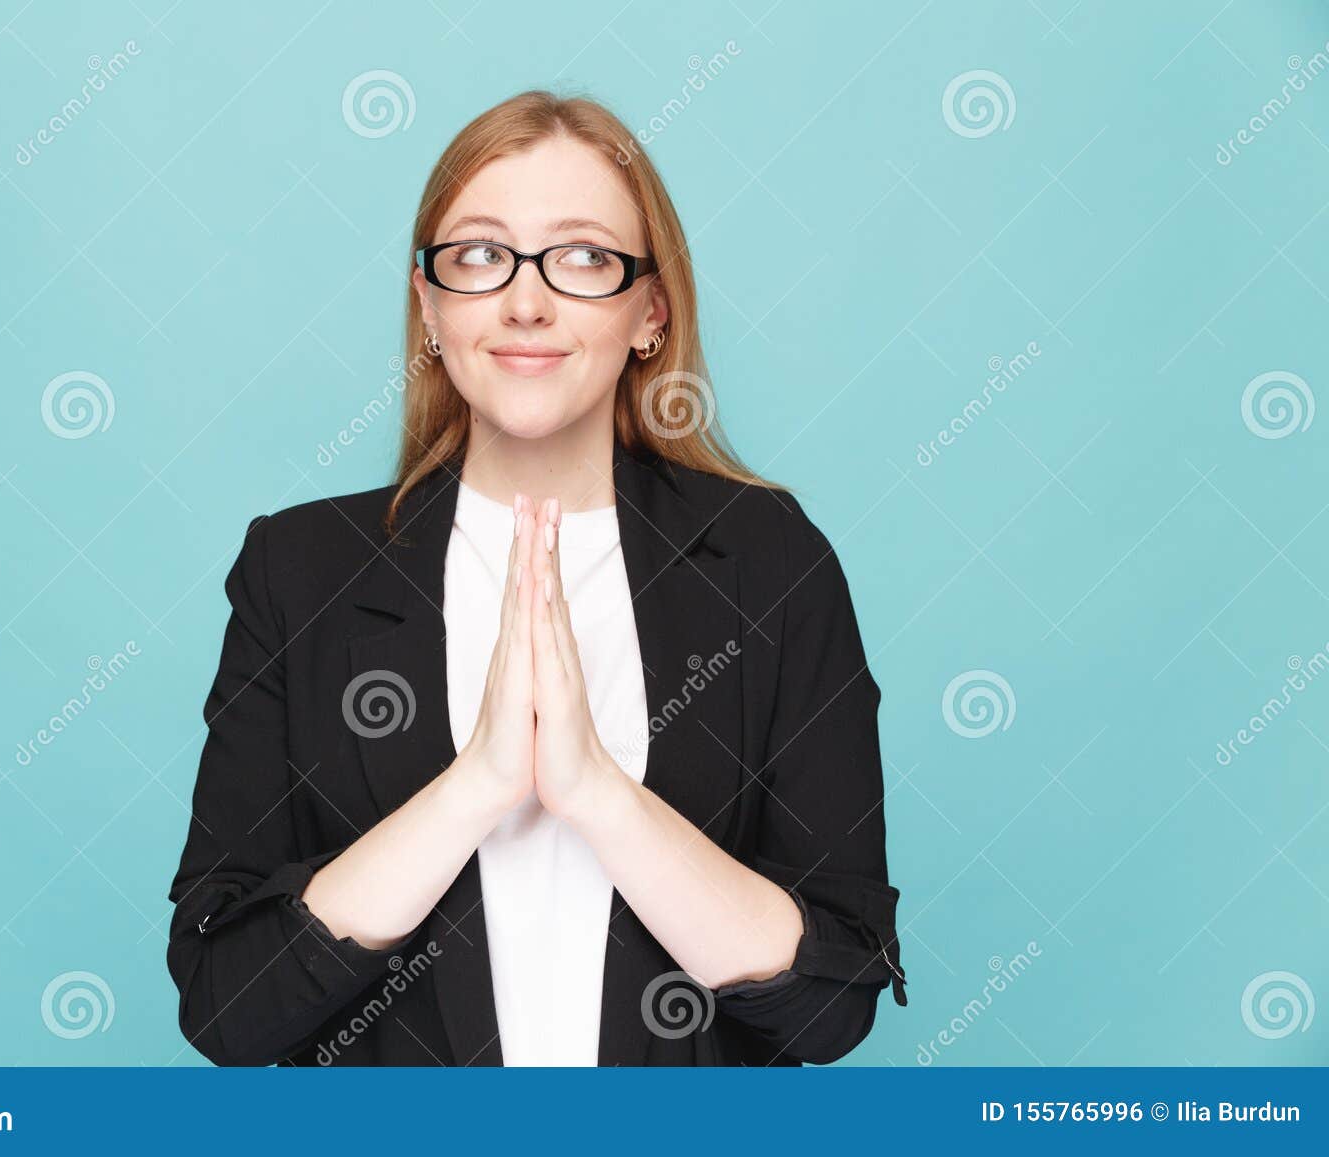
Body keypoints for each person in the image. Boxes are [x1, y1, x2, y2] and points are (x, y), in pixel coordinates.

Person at [165, 89, 906, 1067]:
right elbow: (228, 1007)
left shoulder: (770, 563)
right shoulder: (298, 571)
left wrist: (598, 792)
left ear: (650, 310)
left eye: (584, 256)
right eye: (478, 255)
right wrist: (474, 787)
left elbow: (828, 1008)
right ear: (428, 302)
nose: (526, 299)